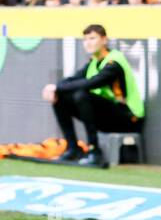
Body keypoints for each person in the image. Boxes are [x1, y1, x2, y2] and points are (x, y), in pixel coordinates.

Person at [42, 24, 145, 167]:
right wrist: (55, 89)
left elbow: (92, 83)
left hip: (129, 117)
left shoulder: (114, 62)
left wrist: (57, 87)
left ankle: (94, 151)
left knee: (81, 94)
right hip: (109, 117)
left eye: (92, 38)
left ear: (104, 40)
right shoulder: (94, 62)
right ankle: (73, 149)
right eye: (85, 39)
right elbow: (74, 79)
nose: (88, 43)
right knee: (60, 98)